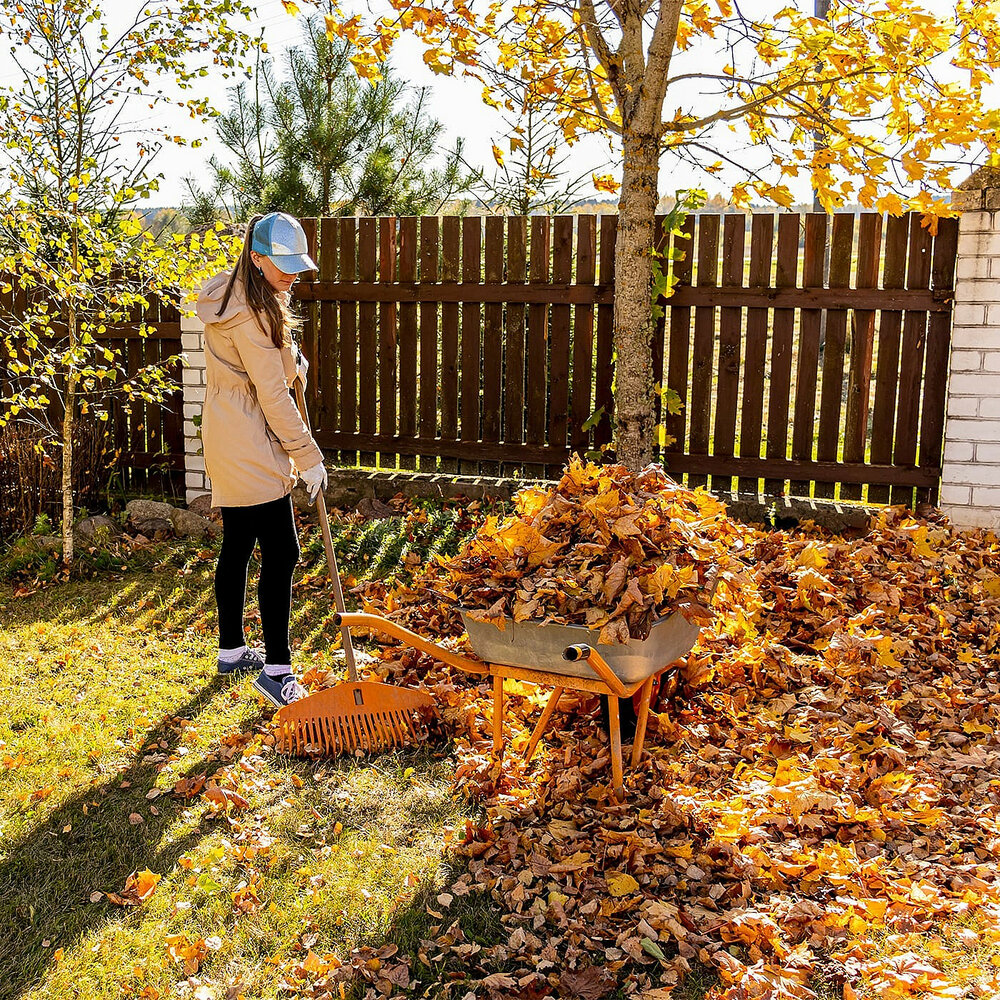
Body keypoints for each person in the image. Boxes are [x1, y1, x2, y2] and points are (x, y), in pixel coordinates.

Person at [195, 211, 328, 708]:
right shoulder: (251, 313)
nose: (292, 274)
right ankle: (278, 670)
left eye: (297, 264)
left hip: (230, 433)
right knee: (283, 550)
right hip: (252, 440)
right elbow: (272, 397)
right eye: (283, 264)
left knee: (239, 542)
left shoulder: (237, 294)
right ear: (256, 258)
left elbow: (263, 369)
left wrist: (292, 361)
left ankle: (231, 651)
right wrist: (308, 456)